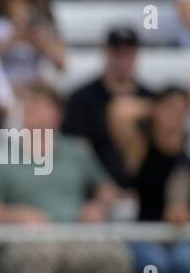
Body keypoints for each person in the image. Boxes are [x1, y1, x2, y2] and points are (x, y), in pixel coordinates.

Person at [0, 82, 131, 273]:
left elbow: (108, 191)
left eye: (39, 106)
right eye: (28, 107)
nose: (30, 112)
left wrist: (98, 206)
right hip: (25, 243)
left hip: (74, 239)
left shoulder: (77, 152)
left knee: (117, 258)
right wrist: (17, 216)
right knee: (40, 256)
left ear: (57, 115)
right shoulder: (3, 155)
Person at [108, 86, 190, 273]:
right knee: (153, 267)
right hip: (145, 233)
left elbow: (181, 187)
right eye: (169, 109)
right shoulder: (140, 142)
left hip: (180, 234)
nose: (176, 116)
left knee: (187, 265)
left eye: (181, 111)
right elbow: (117, 112)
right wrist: (158, 107)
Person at [61, 26, 155, 188]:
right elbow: (75, 147)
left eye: (129, 52)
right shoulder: (82, 98)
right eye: (118, 52)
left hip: (143, 186)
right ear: (106, 52)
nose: (123, 58)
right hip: (93, 187)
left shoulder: (151, 98)